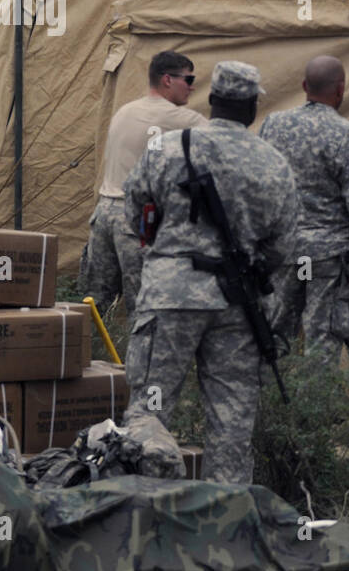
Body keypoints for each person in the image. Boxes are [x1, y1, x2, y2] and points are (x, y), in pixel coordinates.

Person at [121, 61, 299, 484]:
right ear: (254, 107)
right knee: (232, 421)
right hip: (238, 307)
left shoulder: (167, 147)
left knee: (149, 409)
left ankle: (140, 511)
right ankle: (227, 523)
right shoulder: (274, 164)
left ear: (213, 100)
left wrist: (170, 246)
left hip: (171, 297)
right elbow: (283, 249)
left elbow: (134, 214)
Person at [259, 55, 349, 365]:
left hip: (282, 252)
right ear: (341, 89)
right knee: (323, 341)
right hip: (329, 258)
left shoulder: (273, 125)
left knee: (275, 336)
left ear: (304, 86)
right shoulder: (343, 134)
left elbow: (259, 186)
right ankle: (314, 412)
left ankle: (272, 407)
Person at [81, 50, 206, 326]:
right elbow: (225, 144)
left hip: (103, 213)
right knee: (144, 305)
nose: (192, 86)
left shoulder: (124, 111)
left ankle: (78, 356)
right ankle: (137, 367)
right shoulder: (183, 119)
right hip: (135, 218)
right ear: (167, 80)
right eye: (188, 79)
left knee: (94, 301)